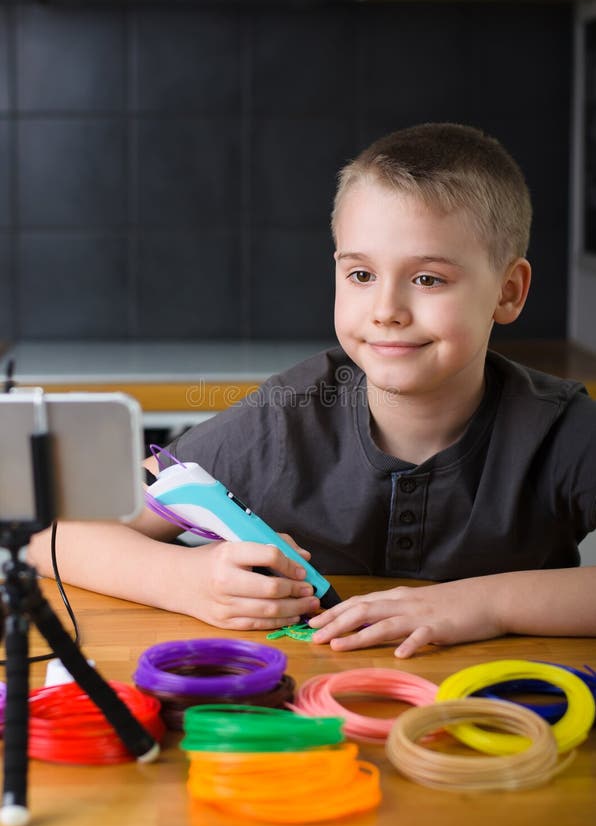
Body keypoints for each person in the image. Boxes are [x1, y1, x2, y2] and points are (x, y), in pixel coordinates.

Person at [28, 122, 596, 658]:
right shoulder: (281, 419)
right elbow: (48, 535)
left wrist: (482, 604)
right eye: (361, 275)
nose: (387, 311)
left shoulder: (563, 430)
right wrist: (184, 579)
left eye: (428, 279)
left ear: (508, 291)